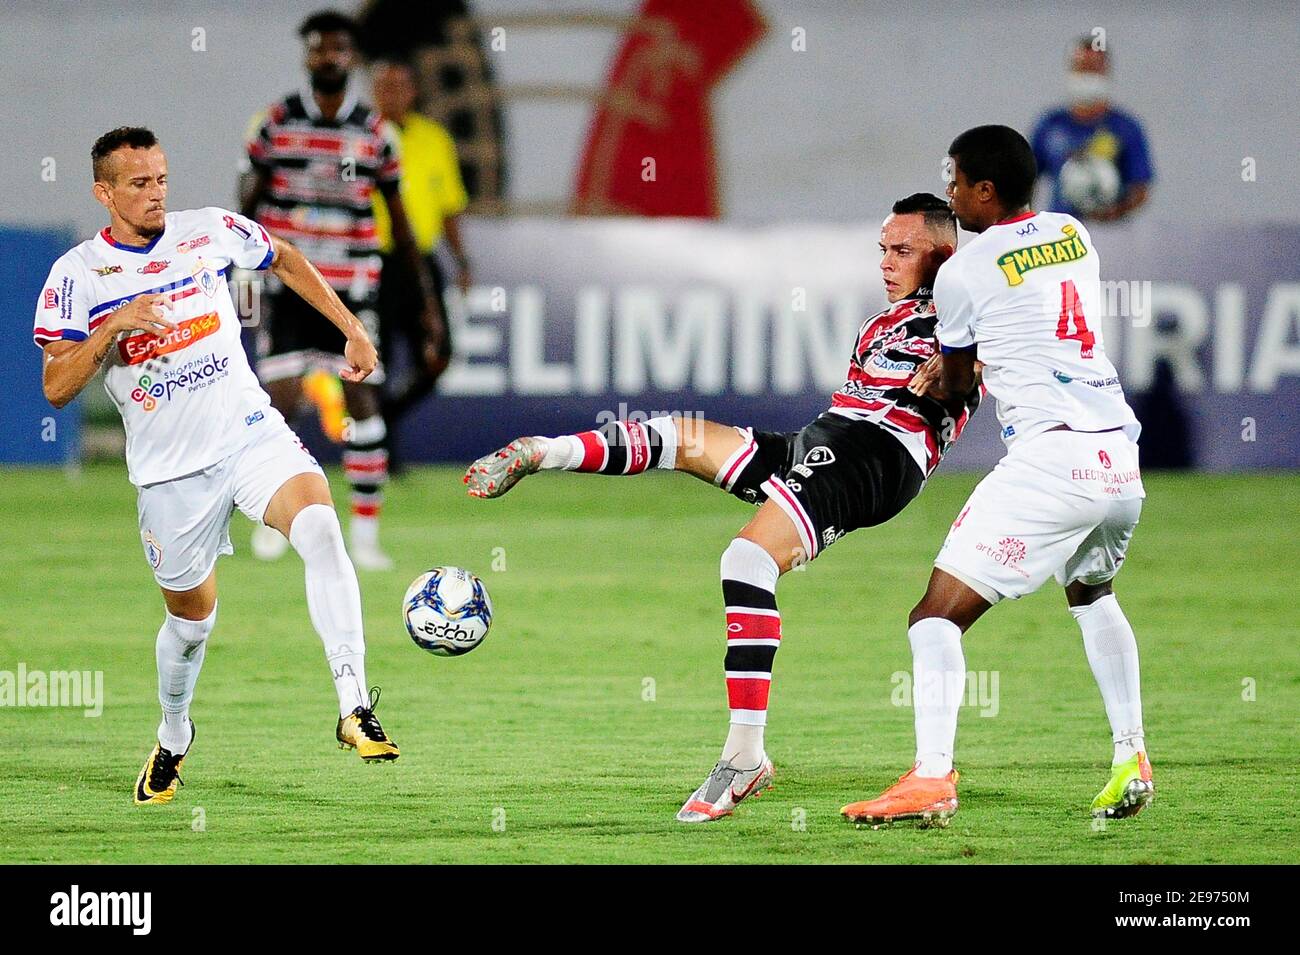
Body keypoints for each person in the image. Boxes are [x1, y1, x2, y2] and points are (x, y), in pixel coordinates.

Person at [465, 194, 982, 823]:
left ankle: (745, 757)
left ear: (945, 255)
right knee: (681, 438)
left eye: (902, 250)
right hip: (825, 441)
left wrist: (967, 360)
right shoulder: (882, 324)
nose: (885, 262)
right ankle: (542, 452)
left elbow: (1009, 357)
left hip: (878, 457)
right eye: (882, 248)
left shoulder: (968, 314)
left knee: (745, 561)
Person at [35, 127, 400, 805]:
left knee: (322, 530)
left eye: (162, 179)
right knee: (193, 621)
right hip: (171, 477)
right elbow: (56, 385)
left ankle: (354, 704)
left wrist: (349, 326)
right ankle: (174, 736)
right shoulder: (78, 274)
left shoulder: (205, 231)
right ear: (103, 191)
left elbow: (284, 256)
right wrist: (115, 325)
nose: (155, 195)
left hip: (248, 433)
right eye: (138, 184)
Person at [841, 126, 1152, 828]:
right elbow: (1034, 320)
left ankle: (930, 776)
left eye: (954, 181)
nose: (948, 193)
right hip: (1118, 457)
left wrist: (948, 371)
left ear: (984, 189)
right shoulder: (1073, 232)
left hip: (1052, 462)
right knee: (1092, 593)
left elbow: (950, 384)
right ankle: (1132, 754)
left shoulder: (963, 273)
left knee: (934, 617)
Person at [240, 9, 445, 570]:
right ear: (307, 56)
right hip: (287, 287)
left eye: (338, 49)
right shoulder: (275, 124)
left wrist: (426, 299)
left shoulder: (378, 134)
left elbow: (399, 221)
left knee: (361, 401)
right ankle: (275, 524)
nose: (328, 57)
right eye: (318, 49)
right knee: (280, 404)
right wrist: (234, 271)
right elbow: (249, 203)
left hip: (354, 287)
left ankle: (367, 535)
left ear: (351, 59)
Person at [371, 58, 472, 465]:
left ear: (413, 92)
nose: (393, 94)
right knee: (379, 360)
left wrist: (461, 260)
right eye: (385, 86)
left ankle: (386, 418)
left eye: (400, 86)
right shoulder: (364, 135)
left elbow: (449, 207)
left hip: (420, 264)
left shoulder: (434, 139)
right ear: (374, 92)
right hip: (373, 260)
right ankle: (382, 455)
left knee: (438, 355)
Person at [1029, 37, 1154, 222]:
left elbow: (1141, 187)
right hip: (1060, 230)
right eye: (1081, 68)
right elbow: (1027, 178)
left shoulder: (1126, 128)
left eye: (1093, 69)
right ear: (1071, 70)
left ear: (1105, 72)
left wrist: (1114, 213)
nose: (1087, 76)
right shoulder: (1050, 125)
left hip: (1112, 234)